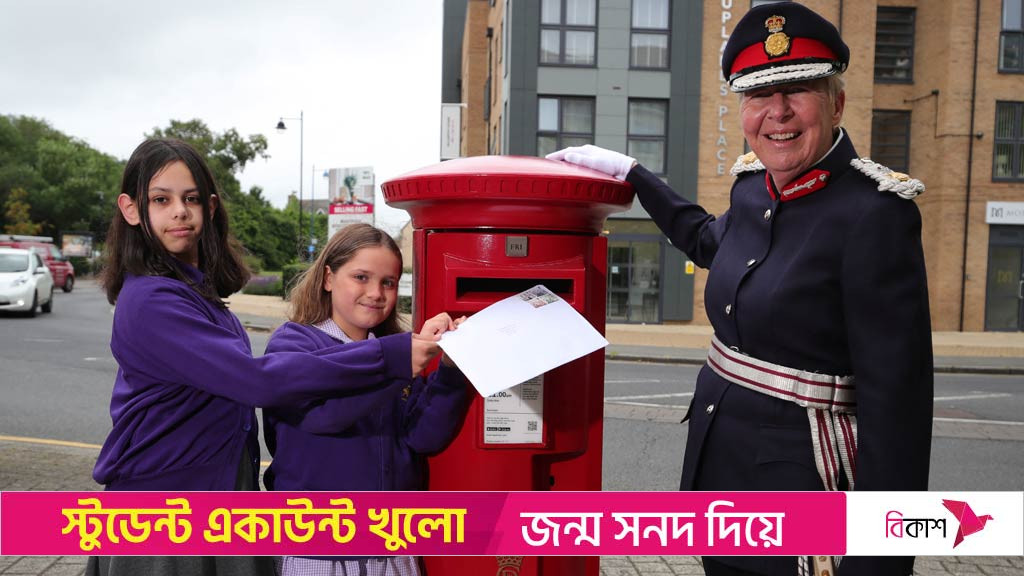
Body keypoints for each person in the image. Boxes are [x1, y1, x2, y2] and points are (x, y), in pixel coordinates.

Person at [548, 4, 933, 575]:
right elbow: (709, 241)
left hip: (803, 496)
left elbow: (897, 408)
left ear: (837, 103)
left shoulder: (874, 214)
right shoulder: (755, 189)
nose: (777, 113)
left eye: (797, 91)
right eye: (759, 96)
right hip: (721, 481)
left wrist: (879, 559)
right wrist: (635, 174)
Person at [90, 138, 445, 576]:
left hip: (216, 498)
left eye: (192, 198)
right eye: (161, 200)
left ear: (212, 207)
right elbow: (259, 382)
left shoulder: (193, 293)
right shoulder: (151, 301)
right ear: (130, 210)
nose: (180, 211)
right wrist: (391, 357)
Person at [262, 223, 470, 576]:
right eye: (361, 277)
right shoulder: (294, 344)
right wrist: (397, 366)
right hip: (317, 549)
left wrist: (450, 369)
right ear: (328, 278)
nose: (376, 292)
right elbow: (321, 416)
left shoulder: (395, 354)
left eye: (388, 282)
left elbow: (423, 437)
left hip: (391, 549)